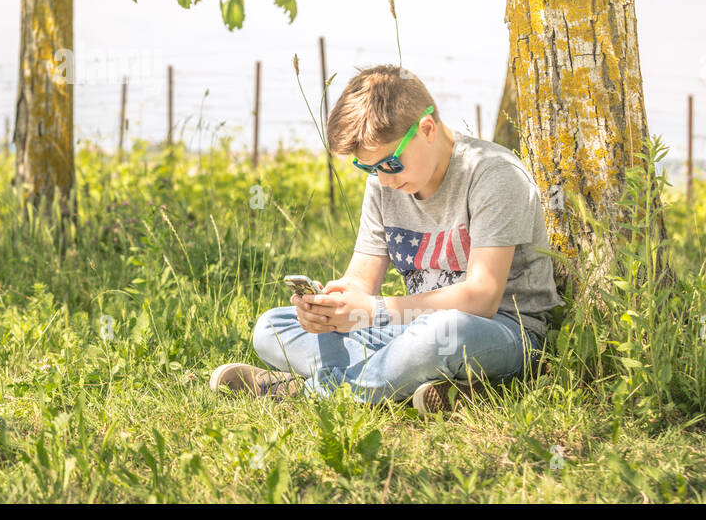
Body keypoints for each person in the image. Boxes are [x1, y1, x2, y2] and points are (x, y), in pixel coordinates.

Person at [210, 64, 562, 414]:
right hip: (412, 327)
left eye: (390, 164)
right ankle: (430, 388)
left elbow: (482, 297)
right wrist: (331, 308)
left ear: (426, 129)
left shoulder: (493, 174)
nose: (382, 179)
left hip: (500, 330)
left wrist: (375, 311)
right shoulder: (384, 184)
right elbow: (362, 279)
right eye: (367, 168)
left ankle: (308, 390)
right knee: (272, 326)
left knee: (439, 333)